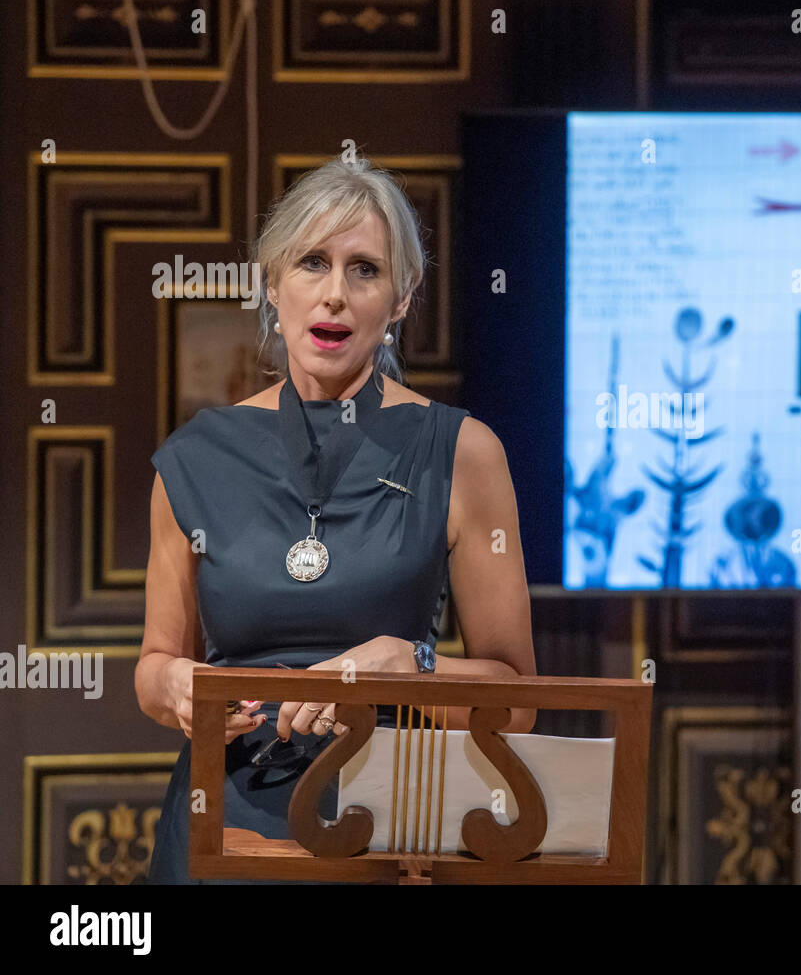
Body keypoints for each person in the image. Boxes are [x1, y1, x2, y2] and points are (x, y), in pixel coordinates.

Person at [135, 156, 535, 883]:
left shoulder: (464, 452)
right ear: (270, 283)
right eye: (312, 263)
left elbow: (515, 703)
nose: (334, 296)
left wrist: (406, 666)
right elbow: (156, 663)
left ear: (403, 298)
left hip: (385, 830)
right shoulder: (195, 457)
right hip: (220, 833)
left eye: (364, 270)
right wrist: (176, 689)